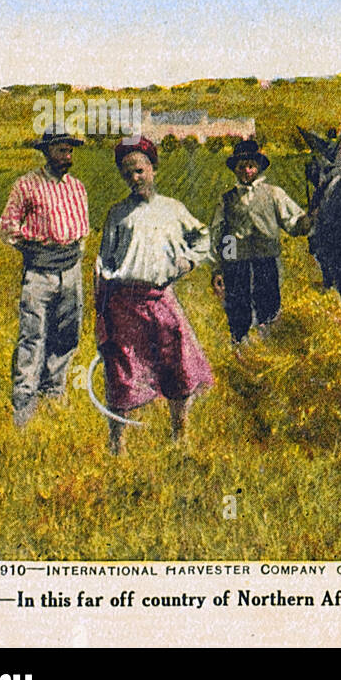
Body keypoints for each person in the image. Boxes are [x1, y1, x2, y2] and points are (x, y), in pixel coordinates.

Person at [96, 136, 213, 454]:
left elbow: (202, 237)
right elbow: (104, 262)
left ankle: (180, 435)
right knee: (121, 372)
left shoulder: (173, 209)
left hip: (161, 298)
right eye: (127, 173)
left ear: (153, 169)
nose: (134, 178)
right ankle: (117, 443)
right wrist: (102, 312)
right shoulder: (118, 215)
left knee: (177, 364)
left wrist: (189, 261)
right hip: (124, 303)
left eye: (139, 170)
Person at [0, 125, 90, 427]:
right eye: (62, 150)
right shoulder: (26, 185)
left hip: (71, 270)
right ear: (47, 152)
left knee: (67, 336)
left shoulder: (77, 187)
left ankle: (54, 395)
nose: (67, 156)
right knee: (32, 338)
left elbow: (83, 231)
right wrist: (31, 249)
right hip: (39, 273)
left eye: (70, 150)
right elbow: (6, 226)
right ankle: (24, 405)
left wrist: (74, 255)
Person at [209, 139, 310, 344]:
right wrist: (218, 267)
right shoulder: (227, 199)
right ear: (235, 170)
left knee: (268, 295)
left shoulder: (273, 193)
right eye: (242, 167)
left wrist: (305, 222)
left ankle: (268, 336)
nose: (247, 171)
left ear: (258, 168)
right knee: (238, 299)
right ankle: (240, 339)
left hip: (266, 255)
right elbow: (218, 233)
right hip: (236, 259)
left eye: (251, 166)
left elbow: (291, 220)